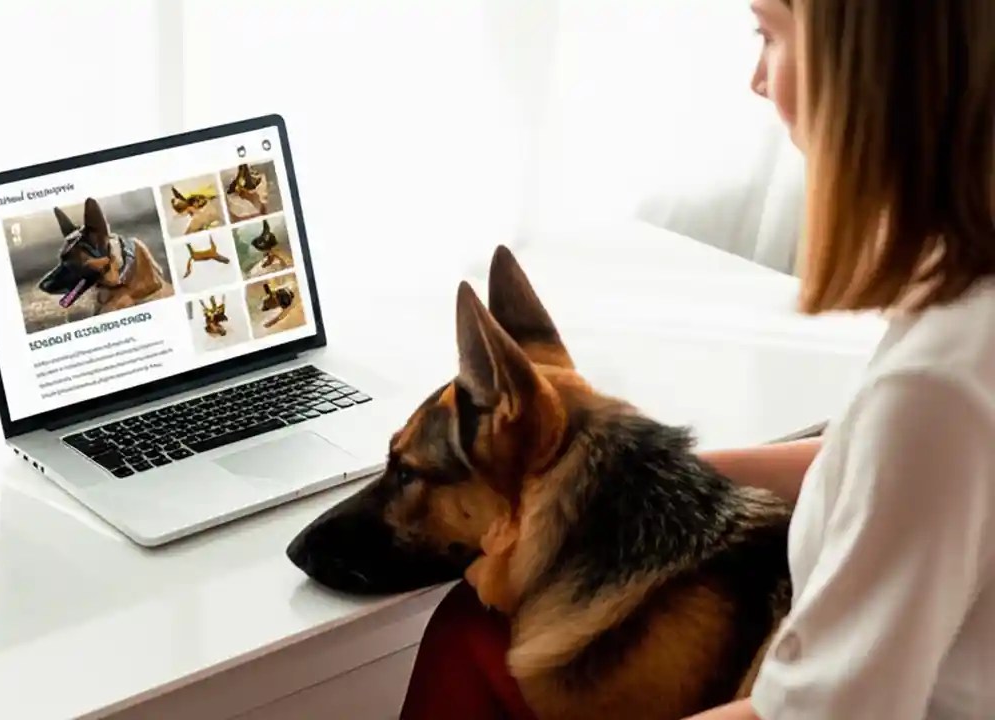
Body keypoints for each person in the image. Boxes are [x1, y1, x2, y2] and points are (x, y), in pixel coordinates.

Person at [400, 0, 995, 717]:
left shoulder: (933, 386)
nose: (756, 80)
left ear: (863, 67)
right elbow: (866, 462)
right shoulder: (960, 303)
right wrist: (627, 478)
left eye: (768, 34)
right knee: (468, 635)